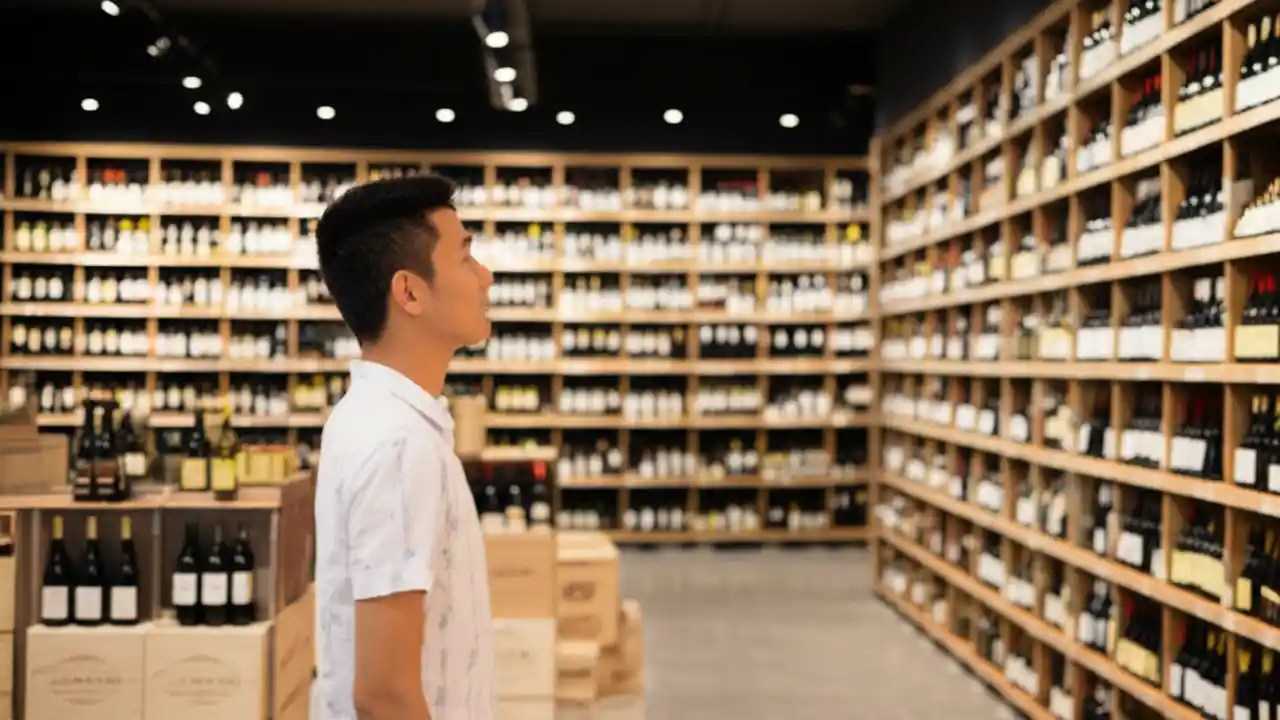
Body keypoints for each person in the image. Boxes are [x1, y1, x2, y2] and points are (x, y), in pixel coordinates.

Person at [311, 174, 496, 720]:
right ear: (409, 291)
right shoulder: (396, 443)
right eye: (466, 257)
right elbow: (384, 694)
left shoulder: (386, 420)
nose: (485, 277)